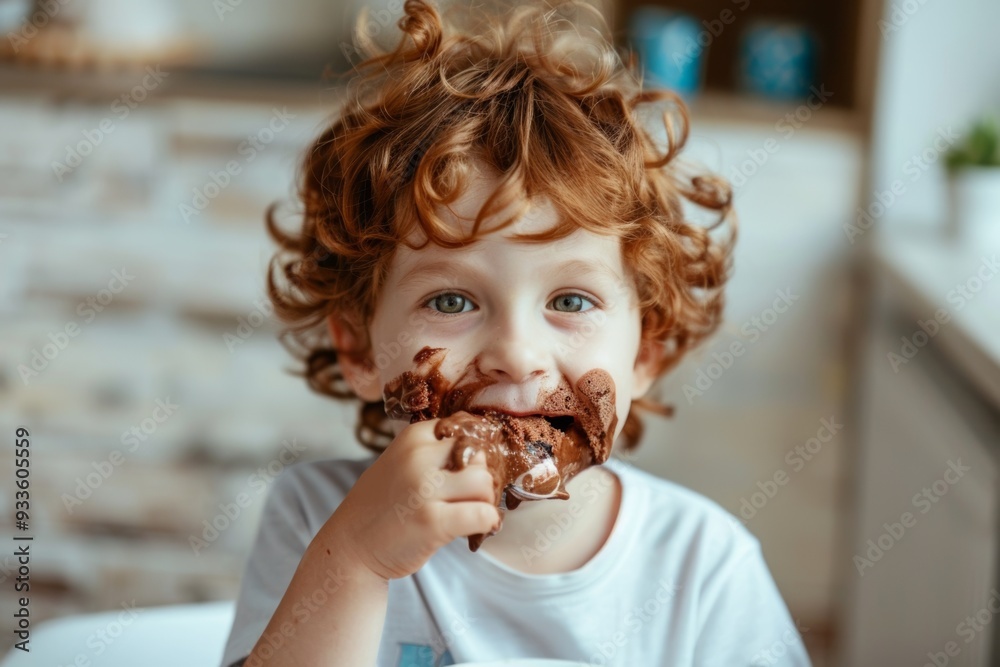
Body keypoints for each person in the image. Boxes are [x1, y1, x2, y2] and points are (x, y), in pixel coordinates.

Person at [220, 0, 811, 665]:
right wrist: (356, 561)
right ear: (358, 346)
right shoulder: (320, 521)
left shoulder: (703, 568)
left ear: (645, 350)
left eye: (569, 298)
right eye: (451, 299)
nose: (516, 355)